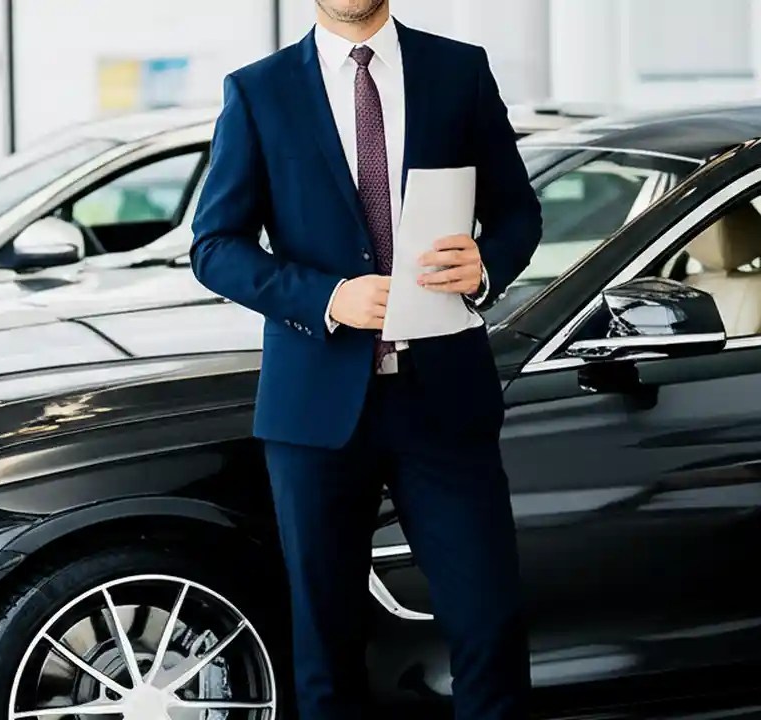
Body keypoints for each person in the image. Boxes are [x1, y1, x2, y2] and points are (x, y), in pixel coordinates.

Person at [189, 1, 542, 717]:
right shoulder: (259, 90)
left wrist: (486, 263)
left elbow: (518, 213)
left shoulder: (458, 70)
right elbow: (213, 246)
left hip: (442, 400)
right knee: (327, 645)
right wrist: (326, 297)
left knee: (490, 627)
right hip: (315, 412)